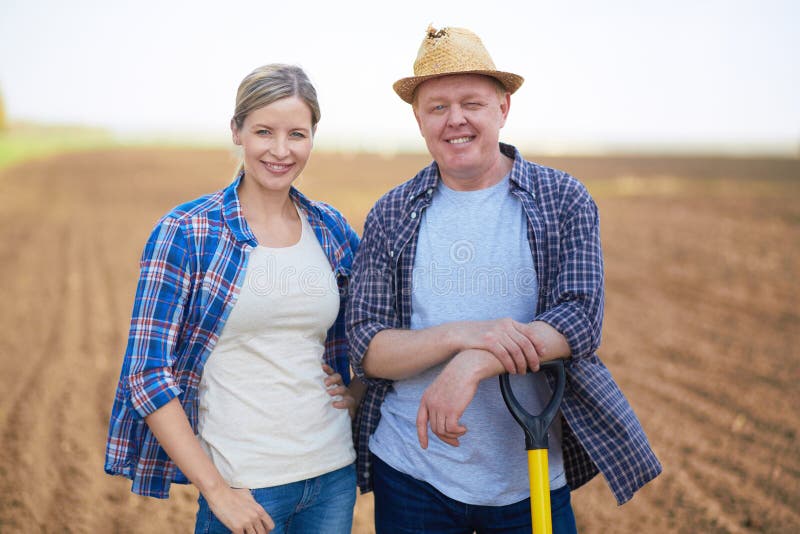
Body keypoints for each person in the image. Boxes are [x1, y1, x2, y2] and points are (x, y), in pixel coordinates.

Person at [346, 26, 662, 533]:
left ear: (503, 108)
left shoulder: (564, 200)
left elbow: (578, 320)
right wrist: (457, 335)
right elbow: (367, 346)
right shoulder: (391, 213)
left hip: (531, 472)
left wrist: (473, 361)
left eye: (472, 102)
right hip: (411, 475)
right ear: (418, 118)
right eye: (437, 107)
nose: (456, 120)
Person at [105, 64, 362, 534]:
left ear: (312, 138)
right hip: (245, 484)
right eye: (264, 131)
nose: (281, 150)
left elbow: (373, 326)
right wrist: (218, 491)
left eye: (297, 134)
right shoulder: (187, 231)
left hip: (332, 476)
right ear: (237, 131)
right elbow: (146, 373)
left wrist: (357, 390)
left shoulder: (330, 228)